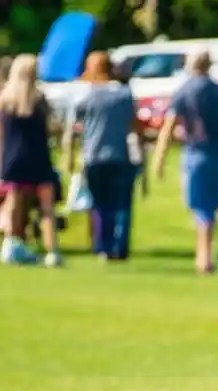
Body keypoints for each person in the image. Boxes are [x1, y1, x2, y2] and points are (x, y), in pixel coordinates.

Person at [152, 48, 218, 274]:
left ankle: (204, 257)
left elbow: (170, 125)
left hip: (196, 153)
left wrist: (159, 158)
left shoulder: (185, 91)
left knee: (202, 208)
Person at [64, 50, 144, 262]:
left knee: (100, 203)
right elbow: (135, 126)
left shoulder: (86, 97)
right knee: (122, 204)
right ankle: (121, 247)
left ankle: (103, 246)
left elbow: (73, 129)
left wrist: (70, 156)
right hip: (121, 154)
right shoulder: (124, 94)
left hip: (94, 155)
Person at [0, 54, 62, 267]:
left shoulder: (5, 100)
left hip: (12, 158)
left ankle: (11, 243)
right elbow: (51, 129)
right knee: (46, 206)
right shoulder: (39, 100)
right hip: (37, 156)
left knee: (13, 202)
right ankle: (52, 250)